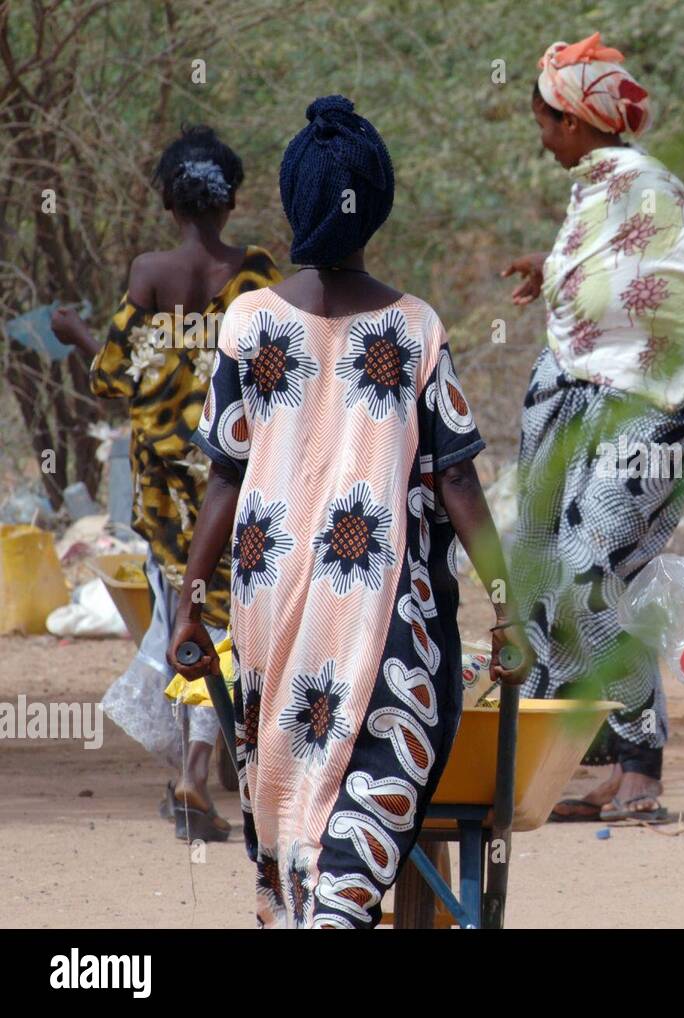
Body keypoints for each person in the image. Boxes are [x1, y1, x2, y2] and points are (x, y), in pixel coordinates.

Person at [167, 95, 529, 929]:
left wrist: (189, 602)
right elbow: (459, 484)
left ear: (294, 204)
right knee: (361, 818)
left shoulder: (251, 321)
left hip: (272, 606)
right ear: (380, 204)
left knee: (292, 802)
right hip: (382, 612)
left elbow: (223, 477)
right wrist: (509, 608)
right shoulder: (412, 329)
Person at [502, 33, 684, 823]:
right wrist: (544, 272)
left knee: (589, 570)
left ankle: (640, 768)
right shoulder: (597, 187)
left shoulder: (646, 185)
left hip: (644, 409)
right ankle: (611, 763)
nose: (539, 135)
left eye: (543, 119)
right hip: (579, 403)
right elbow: (614, 281)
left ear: (573, 121)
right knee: (564, 572)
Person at [51, 125, 281, 842]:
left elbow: (115, 376)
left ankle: (193, 770)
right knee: (225, 608)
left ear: (164, 201)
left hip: (163, 483)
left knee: (186, 602)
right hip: (236, 470)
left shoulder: (151, 272)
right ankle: (208, 767)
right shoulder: (258, 271)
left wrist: (74, 332)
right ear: (233, 197)